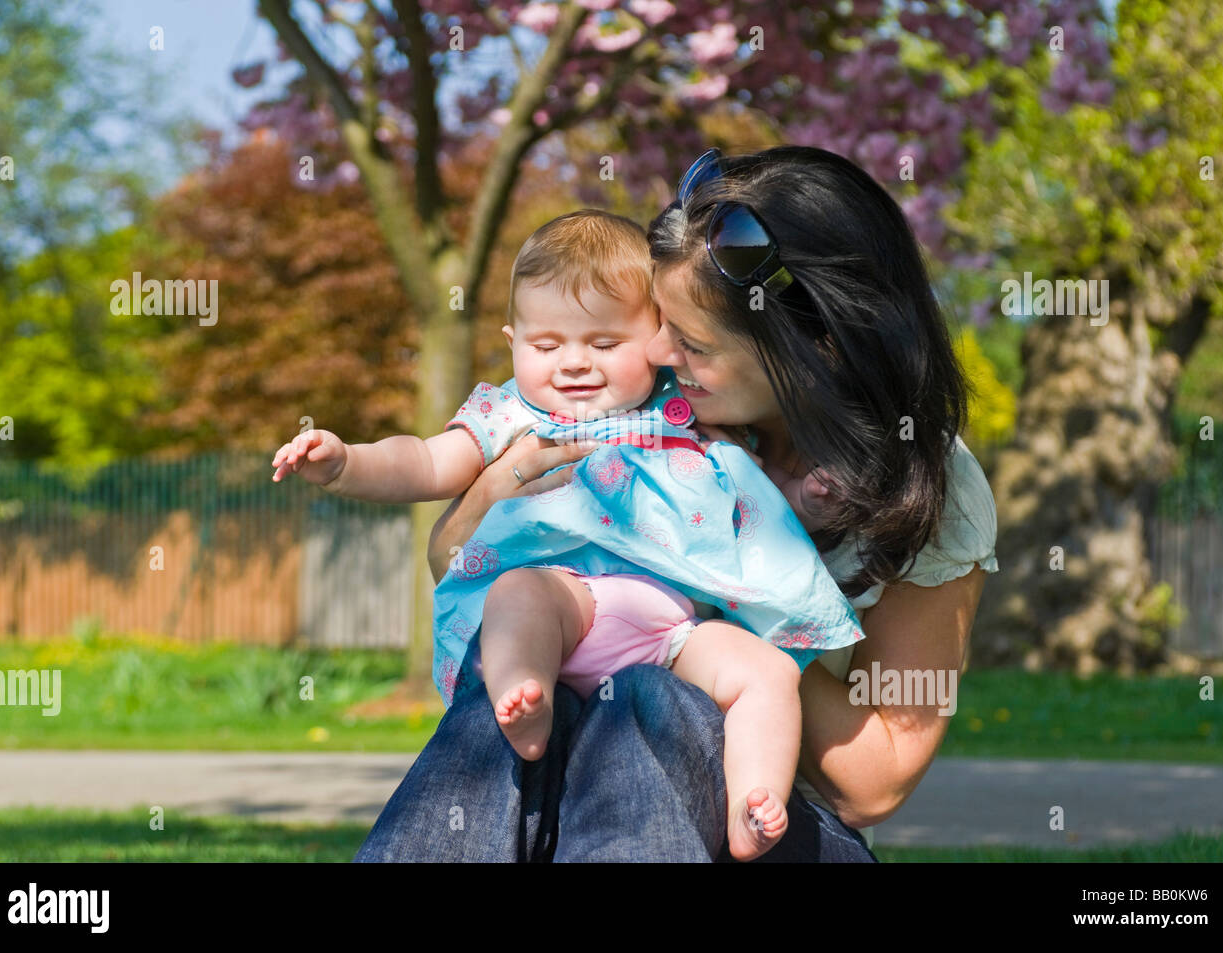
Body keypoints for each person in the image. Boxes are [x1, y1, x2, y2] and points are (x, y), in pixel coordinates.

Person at [354, 145, 999, 862]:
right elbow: (455, 549)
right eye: (656, 321)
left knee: (643, 698)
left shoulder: (927, 479)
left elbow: (872, 780)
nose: (657, 352)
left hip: (765, 824)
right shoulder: (645, 415)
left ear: (814, 346)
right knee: (496, 709)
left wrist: (691, 605)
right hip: (566, 788)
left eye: (690, 341)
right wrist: (472, 525)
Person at [274, 208, 864, 859]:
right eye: (547, 345)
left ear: (656, 336)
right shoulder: (509, 413)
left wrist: (808, 497)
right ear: (512, 339)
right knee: (519, 593)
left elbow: (754, 499)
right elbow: (424, 461)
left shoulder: (682, 406)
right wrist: (346, 463)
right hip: (567, 602)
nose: (574, 364)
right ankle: (521, 692)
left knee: (767, 672)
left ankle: (756, 799)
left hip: (669, 626)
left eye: (605, 344)